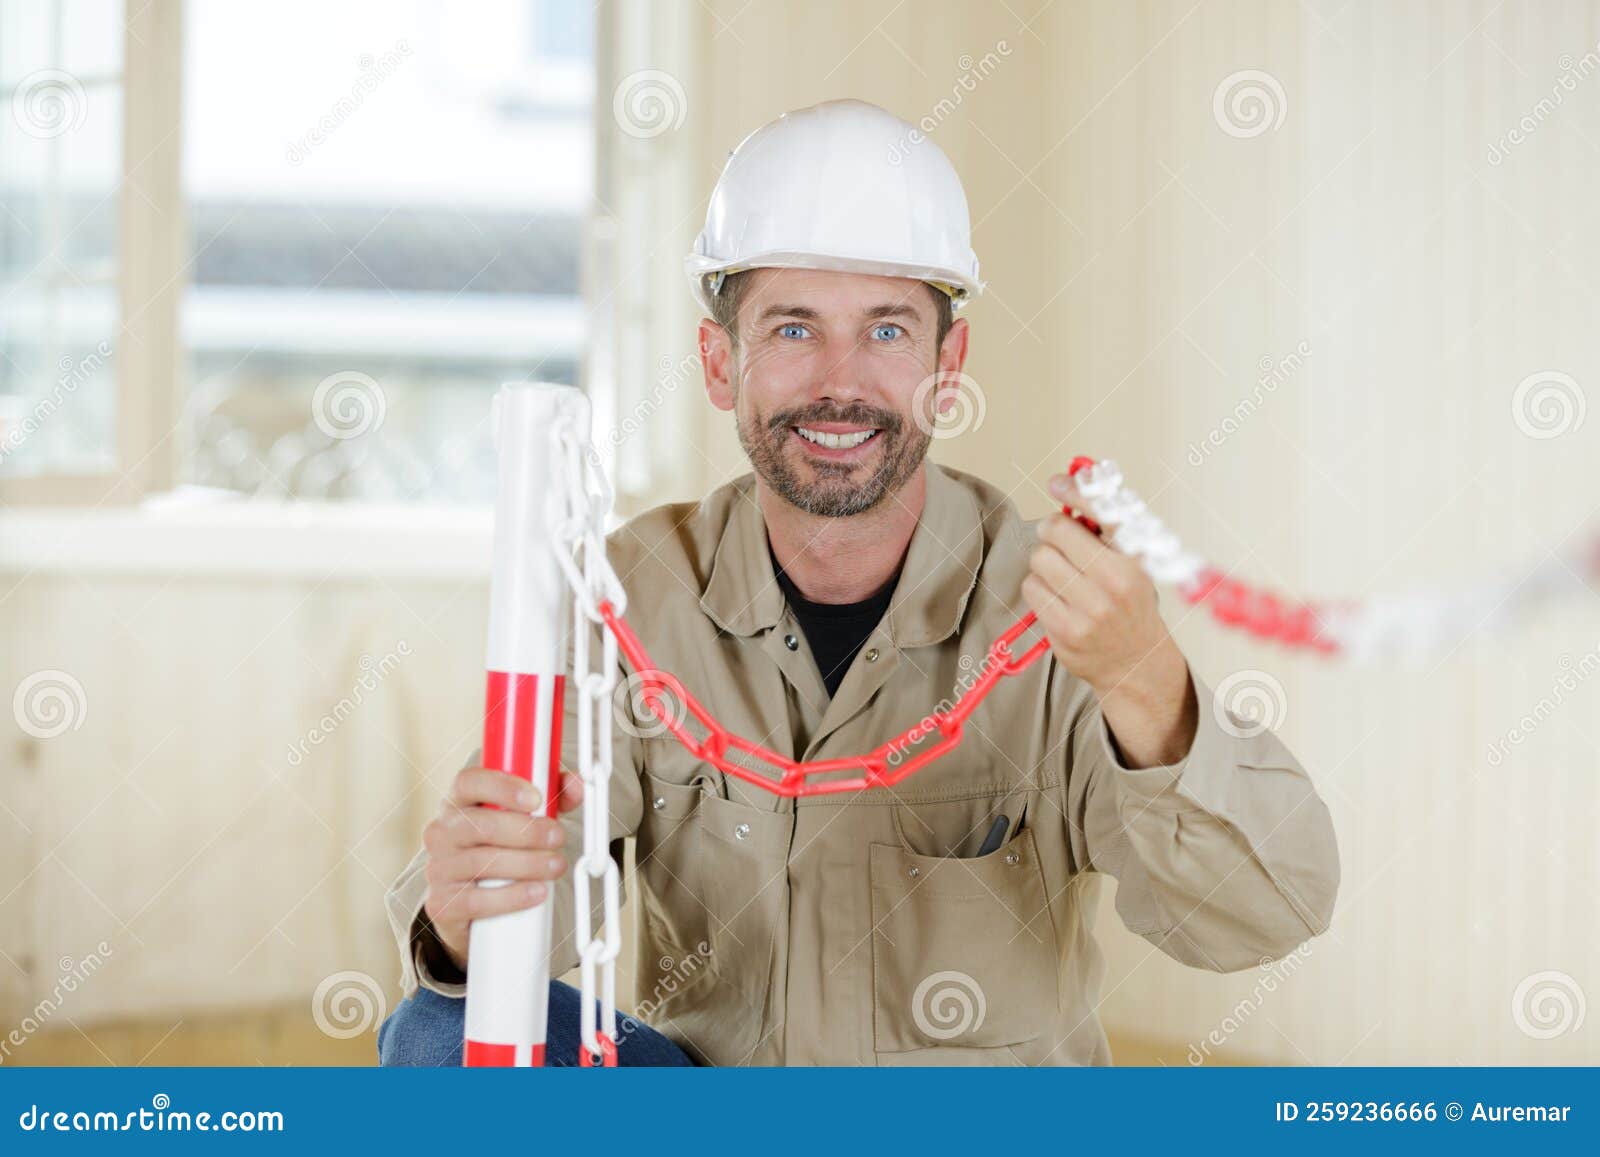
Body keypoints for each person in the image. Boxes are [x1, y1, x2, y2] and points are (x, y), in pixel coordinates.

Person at [378, 98, 1339, 1067]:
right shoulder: (635, 595)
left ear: (946, 365)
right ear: (721, 362)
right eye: (793, 329)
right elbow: (510, 914)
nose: (841, 381)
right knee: (432, 1036)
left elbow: (1264, 914)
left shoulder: (1050, 610)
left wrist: (1142, 679)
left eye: (886, 332)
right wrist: (464, 918)